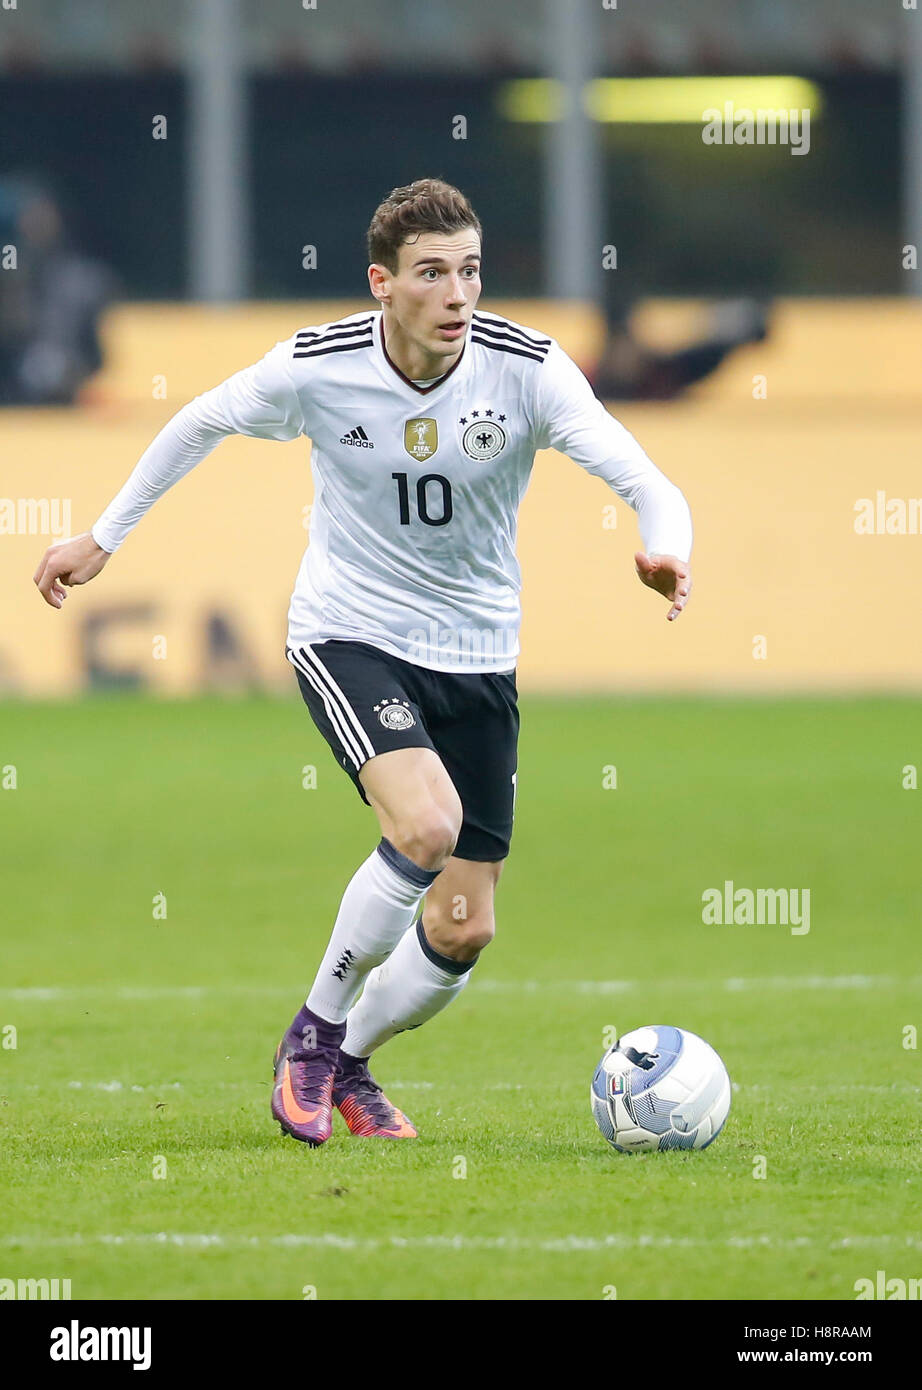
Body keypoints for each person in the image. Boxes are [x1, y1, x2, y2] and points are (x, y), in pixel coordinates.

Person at [33, 178, 693, 1146]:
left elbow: (647, 477)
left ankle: (347, 1062)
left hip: (477, 657)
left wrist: (663, 542)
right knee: (426, 822)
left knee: (466, 924)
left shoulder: (526, 370)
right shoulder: (318, 365)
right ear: (382, 282)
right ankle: (313, 1033)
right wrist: (102, 536)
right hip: (350, 632)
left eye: (469, 269)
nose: (457, 292)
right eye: (432, 273)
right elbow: (200, 421)